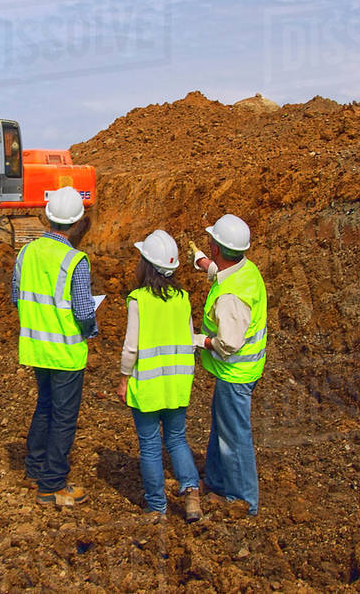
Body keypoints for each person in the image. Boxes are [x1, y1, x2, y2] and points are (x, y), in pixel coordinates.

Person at [11, 186, 97, 506]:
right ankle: (52, 485)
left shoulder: (26, 252)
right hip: (66, 351)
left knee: (45, 405)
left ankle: (35, 467)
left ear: (47, 217)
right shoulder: (75, 260)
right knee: (63, 416)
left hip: (36, 348)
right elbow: (84, 312)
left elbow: (16, 297)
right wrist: (92, 330)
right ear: (76, 224)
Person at [118, 230, 202, 522]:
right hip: (178, 384)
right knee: (177, 439)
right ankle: (191, 494)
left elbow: (131, 346)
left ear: (146, 264)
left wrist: (124, 378)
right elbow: (190, 339)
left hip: (149, 386)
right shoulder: (183, 298)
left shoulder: (138, 299)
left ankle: (157, 507)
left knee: (150, 445)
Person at [189, 214, 267, 514]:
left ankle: (242, 501)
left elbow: (228, 344)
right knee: (223, 428)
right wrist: (202, 263)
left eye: (211, 245)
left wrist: (198, 341)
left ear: (218, 248)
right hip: (242, 370)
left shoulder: (232, 297)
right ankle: (219, 484)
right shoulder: (245, 271)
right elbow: (222, 274)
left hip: (236, 373)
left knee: (235, 437)